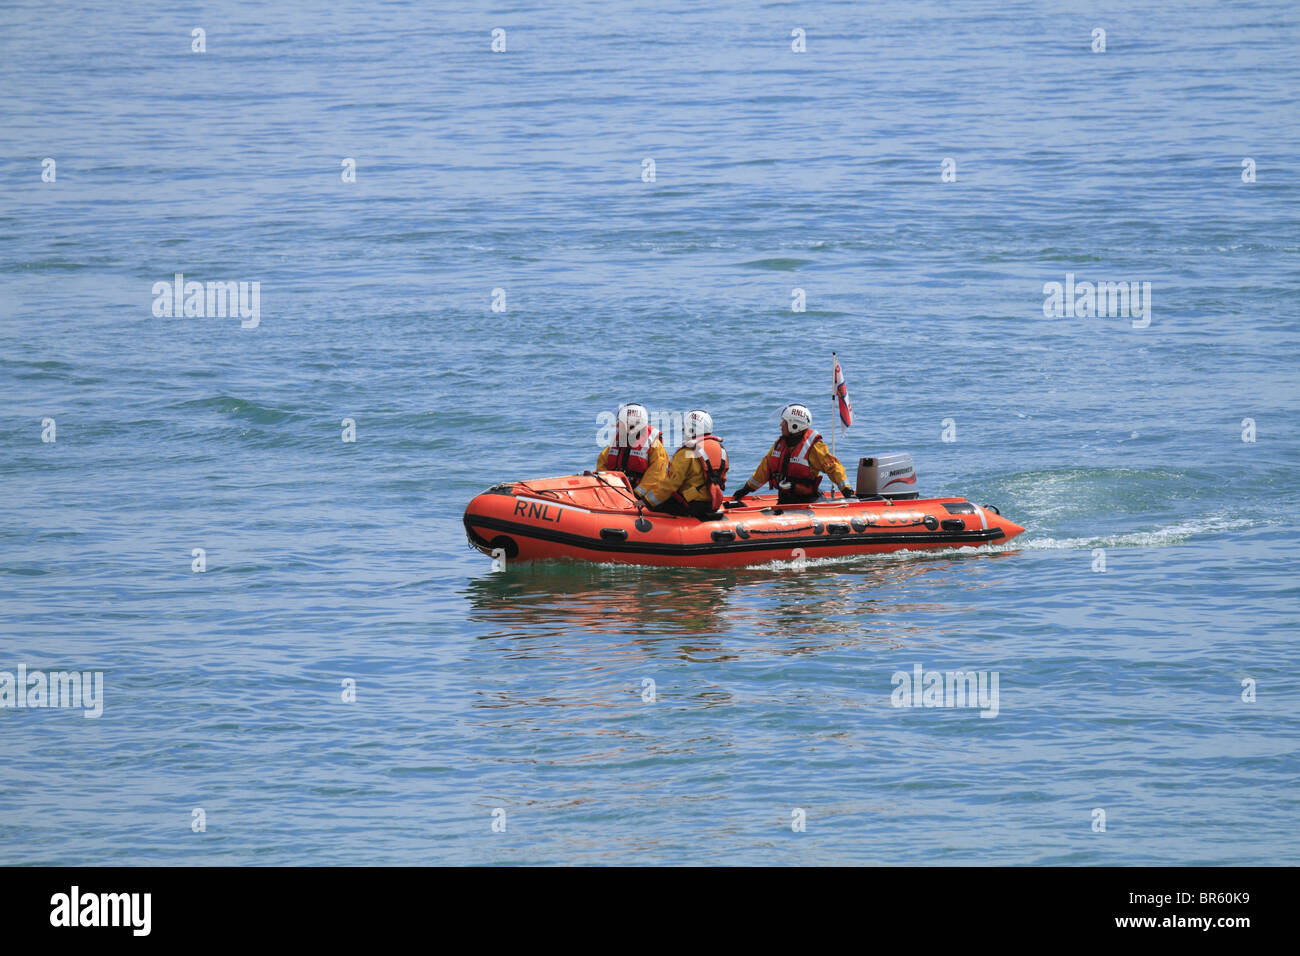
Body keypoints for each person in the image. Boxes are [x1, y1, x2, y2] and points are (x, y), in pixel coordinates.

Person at [731, 403, 853, 505]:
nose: (781, 425)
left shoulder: (814, 446)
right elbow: (764, 470)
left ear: (795, 425)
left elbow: (834, 468)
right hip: (786, 501)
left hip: (808, 501)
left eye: (784, 422)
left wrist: (847, 492)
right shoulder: (779, 445)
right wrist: (745, 489)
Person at [634, 410, 729, 518]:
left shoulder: (685, 453)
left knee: (654, 506)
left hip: (690, 504)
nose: (684, 431)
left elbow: (670, 484)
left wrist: (646, 501)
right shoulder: (721, 450)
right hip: (712, 502)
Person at [596, 403, 668, 491]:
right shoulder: (616, 442)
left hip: (641, 494)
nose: (620, 425)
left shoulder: (654, 444)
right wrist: (605, 483)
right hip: (616, 489)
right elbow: (602, 463)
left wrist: (638, 493)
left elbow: (656, 474)